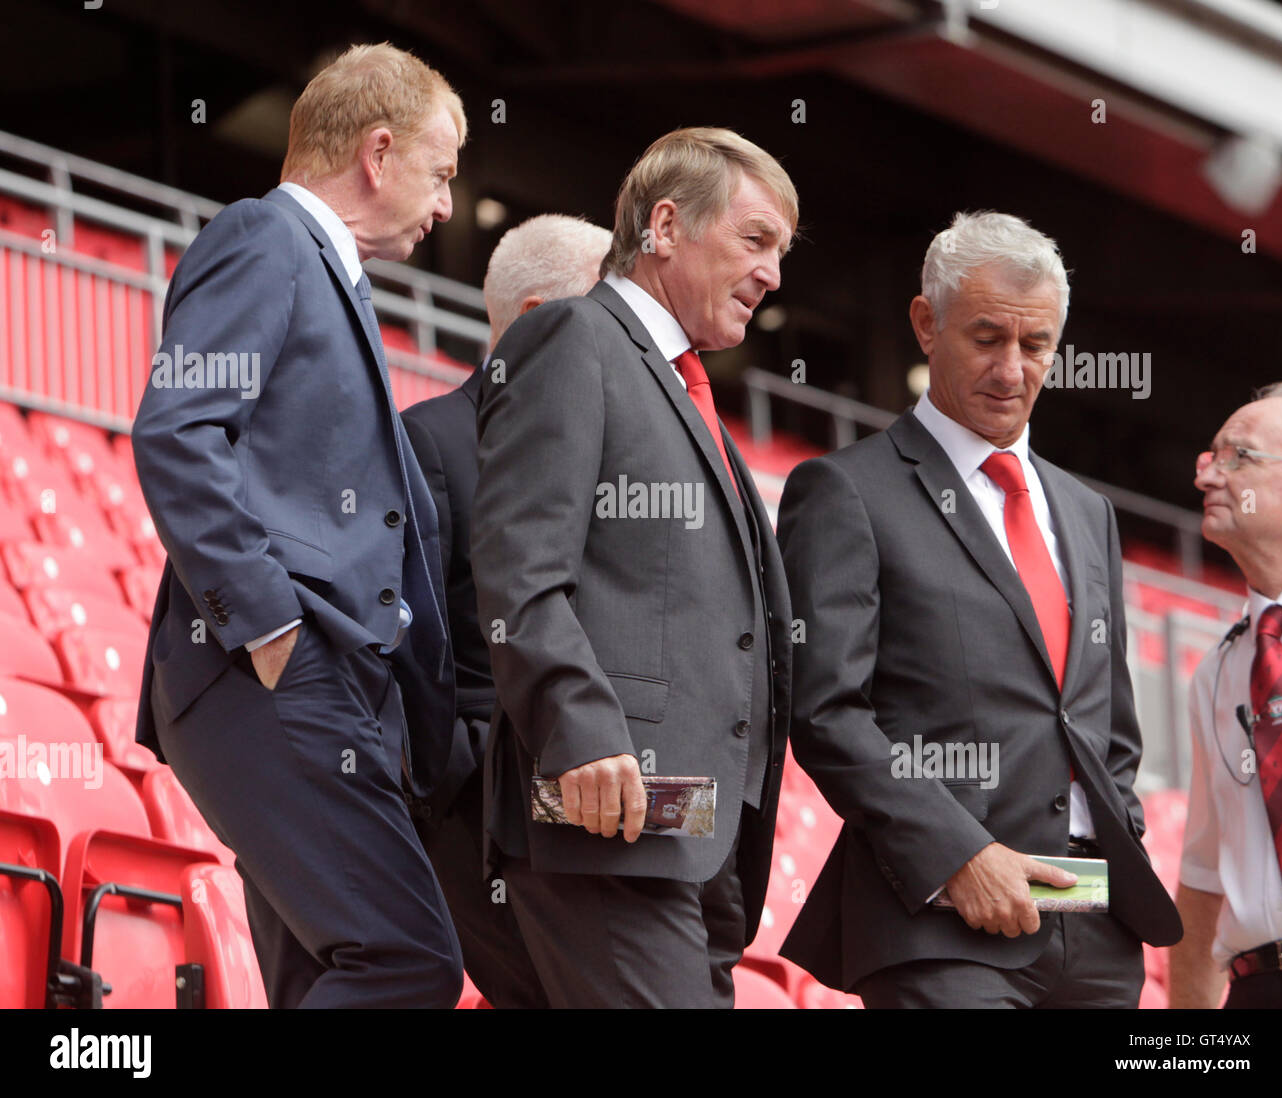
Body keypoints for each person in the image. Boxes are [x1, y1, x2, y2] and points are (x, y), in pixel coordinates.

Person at [777, 210, 1182, 1008]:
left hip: (1095, 926)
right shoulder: (846, 491)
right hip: (940, 921)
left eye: (1035, 347)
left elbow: (1107, 727)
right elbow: (825, 710)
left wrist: (1119, 833)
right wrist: (958, 855)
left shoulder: (1087, 510)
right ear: (926, 325)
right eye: (987, 337)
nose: (1011, 369)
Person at [131, 43, 466, 1008]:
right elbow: (179, 434)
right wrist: (273, 631)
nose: (446, 205)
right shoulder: (266, 238)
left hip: (311, 680)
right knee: (407, 960)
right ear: (377, 150)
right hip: (269, 669)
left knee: (330, 969)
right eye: (440, 174)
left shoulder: (328, 272)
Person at [470, 127, 796, 1007]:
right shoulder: (575, 338)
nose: (773, 273)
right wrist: (581, 733)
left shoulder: (682, 384)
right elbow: (520, 562)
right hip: (603, 812)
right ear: (664, 226)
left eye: (782, 253)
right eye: (756, 239)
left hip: (699, 839)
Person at [400, 214, 611, 1008]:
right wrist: (466, 774)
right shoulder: (430, 441)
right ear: (534, 322)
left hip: (604, 805)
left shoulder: (619, 453)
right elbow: (411, 642)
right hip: (483, 813)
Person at [1170, 381, 1282, 1009]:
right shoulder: (1217, 674)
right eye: (1209, 458)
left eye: (1239, 458)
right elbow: (1200, 888)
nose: (1207, 478)